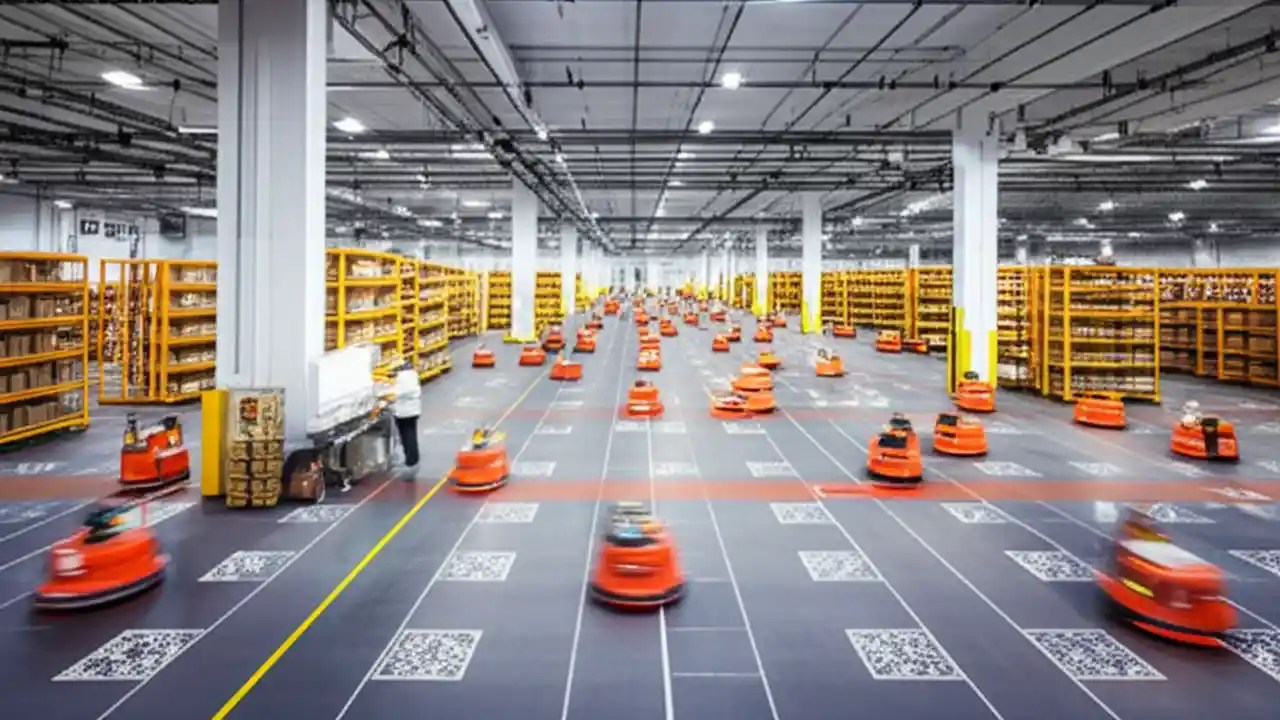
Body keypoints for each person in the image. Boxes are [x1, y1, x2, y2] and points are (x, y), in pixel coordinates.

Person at [392, 360, 422, 470]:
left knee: (405, 436)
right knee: (412, 434)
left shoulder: (399, 379)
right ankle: (413, 457)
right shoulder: (414, 376)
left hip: (402, 412)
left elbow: (395, 393)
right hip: (414, 411)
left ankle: (410, 459)